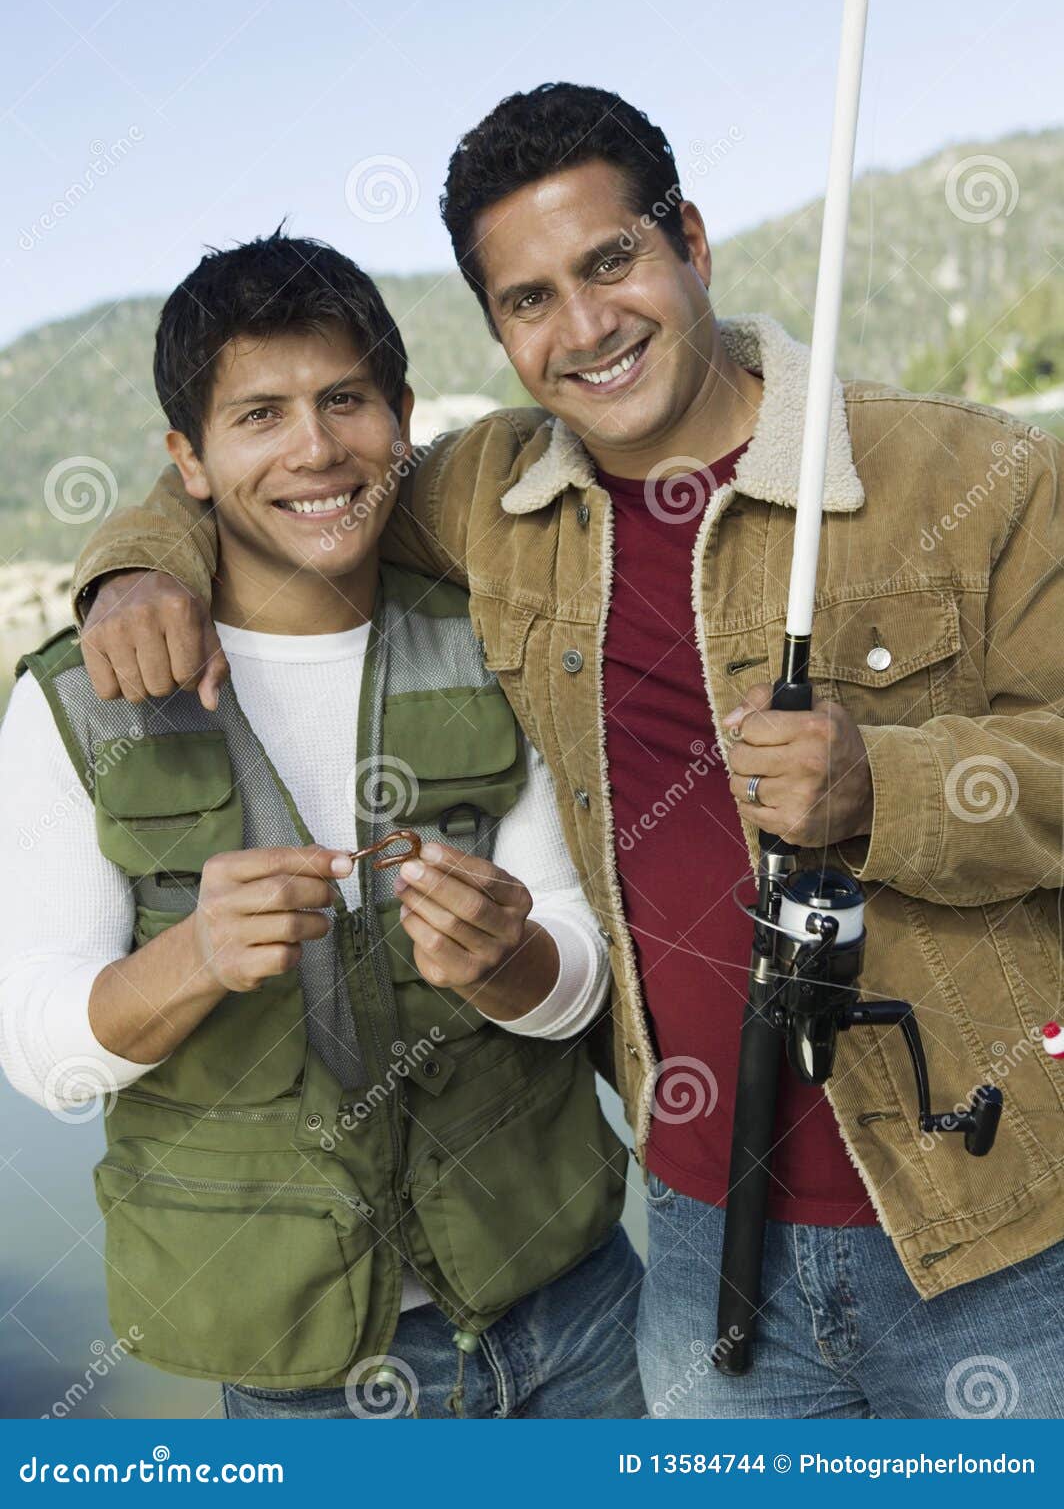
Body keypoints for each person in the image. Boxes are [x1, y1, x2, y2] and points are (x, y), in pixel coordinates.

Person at [70, 85, 1064, 1419]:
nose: (585, 326)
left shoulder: (971, 471)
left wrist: (887, 785)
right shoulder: (485, 493)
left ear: (691, 243)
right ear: (497, 330)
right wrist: (135, 568)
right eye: (529, 298)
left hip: (1000, 1221)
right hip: (702, 1230)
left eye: (610, 261)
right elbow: (294, 475)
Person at [0, 230, 645, 1420]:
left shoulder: (494, 636)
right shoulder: (73, 704)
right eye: (259, 415)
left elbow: (580, 974)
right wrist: (189, 958)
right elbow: (42, 1053)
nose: (314, 449)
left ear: (399, 416)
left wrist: (512, 961)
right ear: (186, 460)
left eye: (344, 399)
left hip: (580, 1313)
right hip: (309, 1387)